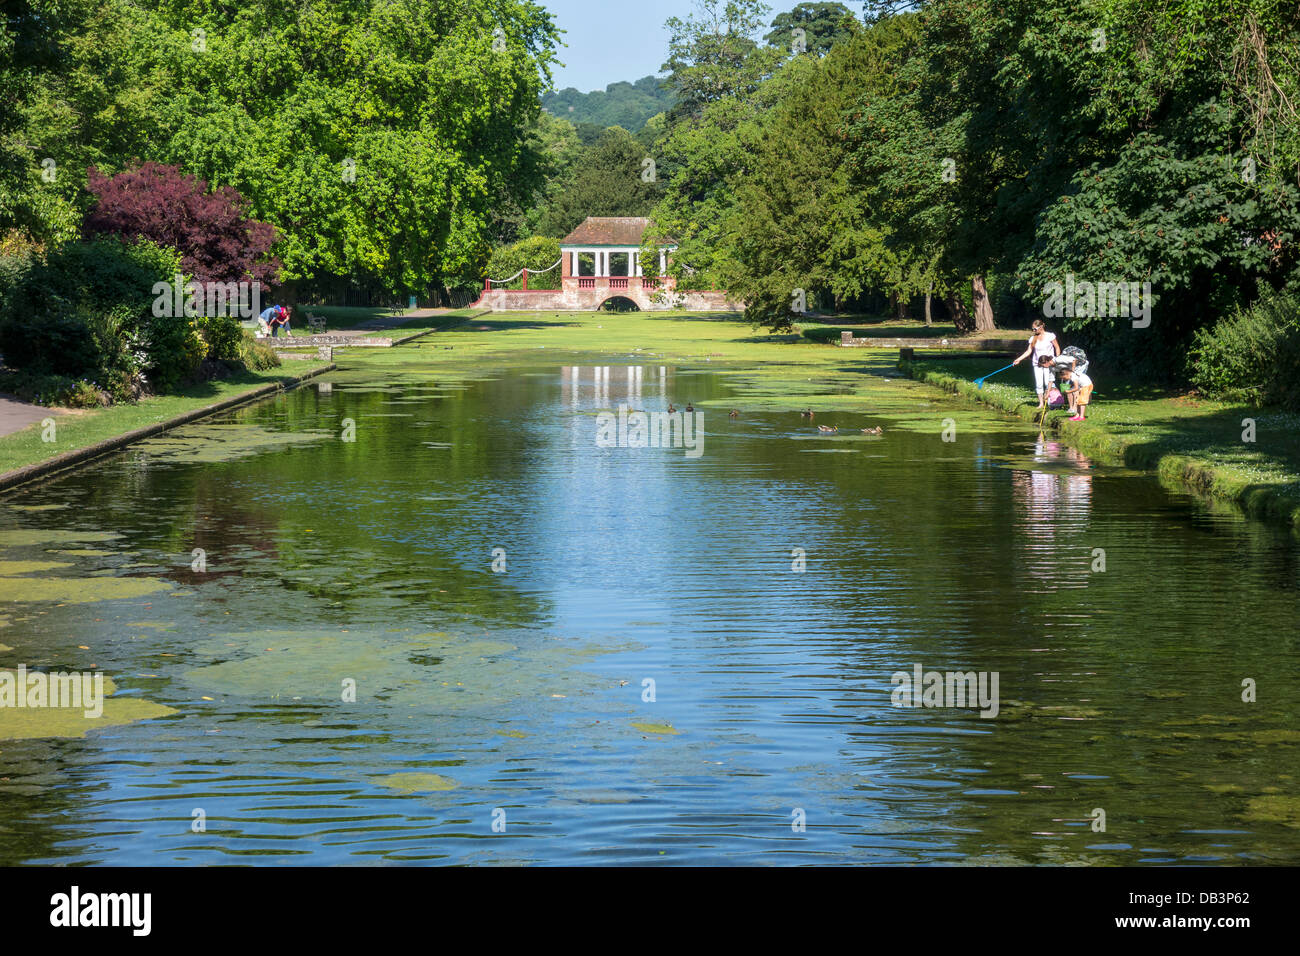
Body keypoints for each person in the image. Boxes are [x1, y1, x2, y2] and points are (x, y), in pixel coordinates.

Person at [1012, 319, 1061, 409]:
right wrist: (1018, 359)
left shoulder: (1050, 336)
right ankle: (1041, 403)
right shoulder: (1033, 338)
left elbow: (1057, 348)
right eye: (1033, 329)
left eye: (1035, 329)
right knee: (1039, 384)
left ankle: (1051, 402)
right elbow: (1029, 351)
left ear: (1041, 327)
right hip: (1037, 364)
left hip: (1048, 364)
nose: (1033, 331)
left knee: (1048, 382)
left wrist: (1057, 360)